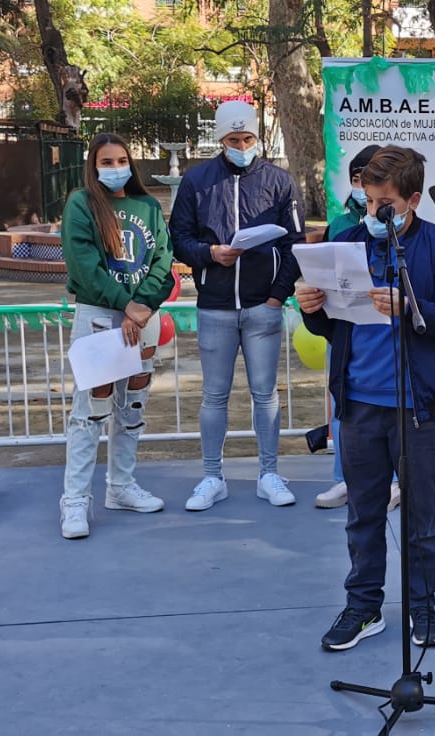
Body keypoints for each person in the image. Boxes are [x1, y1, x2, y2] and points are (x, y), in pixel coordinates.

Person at [297, 146, 435, 651]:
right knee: (364, 512)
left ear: (414, 200)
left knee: (422, 513)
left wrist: (411, 306)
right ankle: (363, 606)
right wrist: (311, 308)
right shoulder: (345, 240)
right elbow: (330, 325)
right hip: (357, 399)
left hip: (415, 400)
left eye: (385, 203)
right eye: (368, 201)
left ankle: (423, 607)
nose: (374, 212)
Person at [171, 100, 304, 511]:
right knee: (214, 396)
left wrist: (276, 296)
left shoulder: (279, 181)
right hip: (215, 306)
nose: (242, 145)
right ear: (220, 139)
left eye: (248, 138)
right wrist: (210, 253)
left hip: (263, 307)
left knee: (265, 395)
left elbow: (294, 243)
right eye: (233, 139)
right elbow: (180, 238)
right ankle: (212, 477)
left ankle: (269, 474)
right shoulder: (197, 181)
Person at [56, 133, 176, 539]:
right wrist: (128, 305)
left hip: (143, 319)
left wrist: (140, 308)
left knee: (133, 408)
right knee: (90, 411)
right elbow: (84, 264)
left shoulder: (147, 206)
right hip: (100, 319)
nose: (114, 168)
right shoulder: (81, 204)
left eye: (121, 160)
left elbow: (163, 259)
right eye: (106, 162)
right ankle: (75, 501)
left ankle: (121, 486)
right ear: (93, 166)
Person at [315, 144, 401, 512]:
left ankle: (396, 480)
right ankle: (342, 479)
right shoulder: (340, 224)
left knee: (390, 408)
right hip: (345, 326)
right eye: (356, 178)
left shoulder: (399, 222)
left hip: (387, 333)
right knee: (341, 403)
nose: (361, 186)